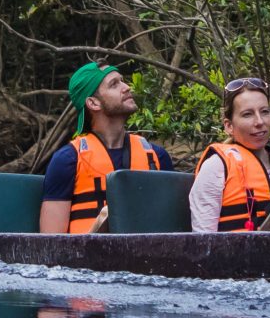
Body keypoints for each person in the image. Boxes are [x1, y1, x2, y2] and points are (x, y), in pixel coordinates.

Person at [39, 63, 175, 234]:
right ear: (93, 103)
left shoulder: (157, 156)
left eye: (123, 81)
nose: (126, 87)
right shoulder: (67, 160)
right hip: (86, 259)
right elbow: (50, 242)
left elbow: (172, 226)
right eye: (114, 84)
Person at [190, 77, 270, 232]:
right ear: (229, 126)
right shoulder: (216, 167)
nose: (259, 121)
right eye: (247, 114)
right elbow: (204, 240)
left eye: (264, 112)